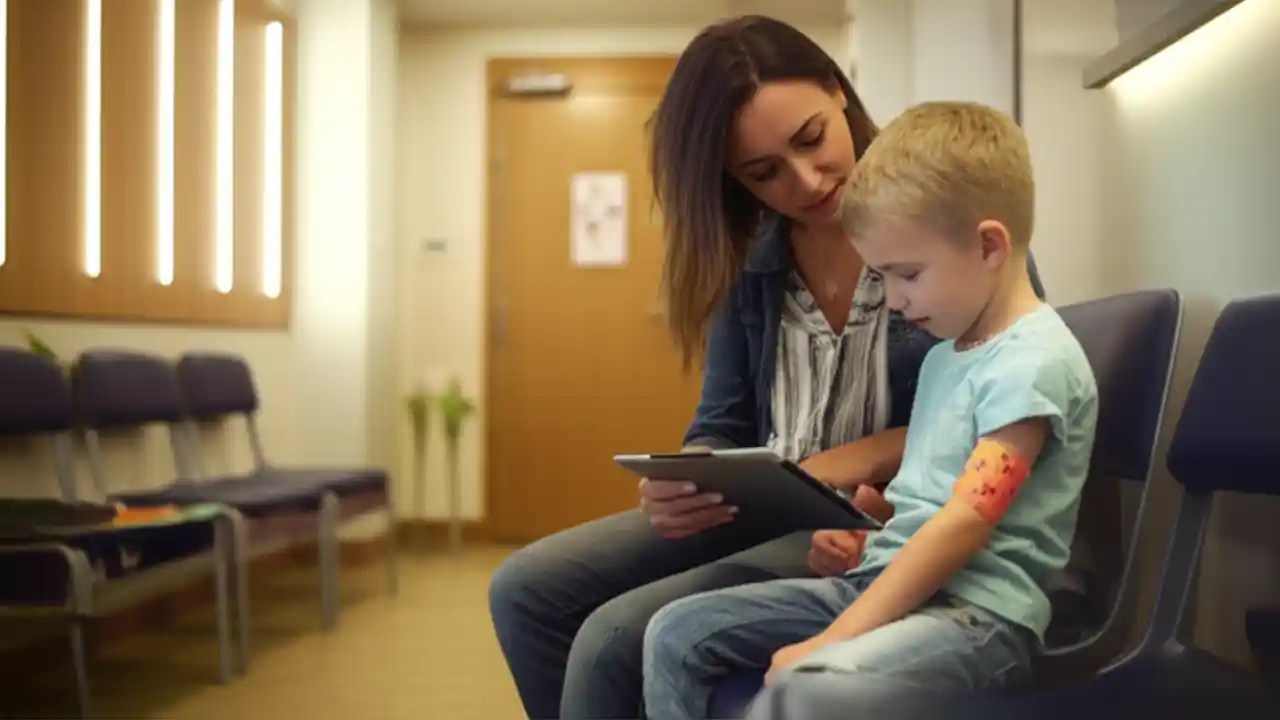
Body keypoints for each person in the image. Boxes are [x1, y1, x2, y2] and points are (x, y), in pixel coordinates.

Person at [488, 17, 1044, 720]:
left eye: (810, 140)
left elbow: (1000, 391)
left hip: (870, 517)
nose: (806, 180)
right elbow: (722, 423)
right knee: (524, 588)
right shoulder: (749, 258)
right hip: (766, 503)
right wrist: (690, 475)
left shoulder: (946, 214)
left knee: (612, 638)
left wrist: (843, 465)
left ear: (838, 91)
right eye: (763, 172)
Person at [641, 101, 1099, 720]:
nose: (893, 299)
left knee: (808, 684)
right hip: (892, 587)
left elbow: (970, 517)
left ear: (989, 245)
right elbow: (935, 495)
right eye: (881, 276)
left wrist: (832, 639)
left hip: (978, 619)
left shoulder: (1033, 364)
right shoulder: (948, 354)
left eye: (906, 274)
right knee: (675, 632)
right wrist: (873, 526)